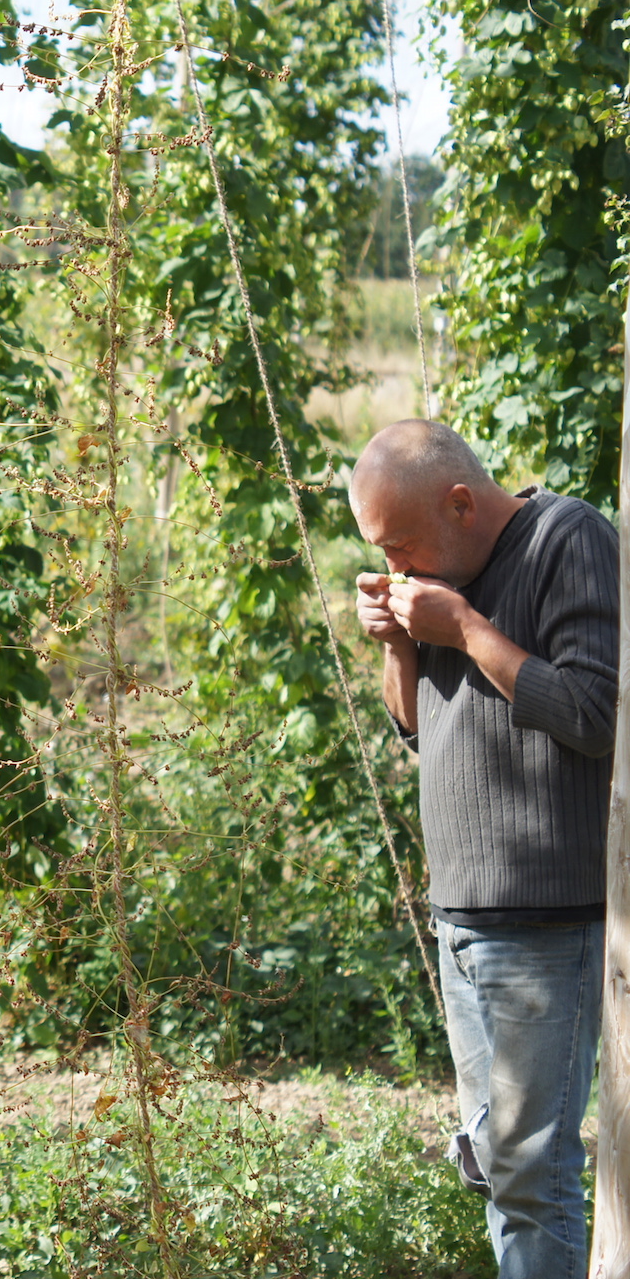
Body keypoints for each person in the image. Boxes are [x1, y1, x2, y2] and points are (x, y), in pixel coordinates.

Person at [350, 418, 617, 1278]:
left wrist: (462, 628)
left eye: (402, 546)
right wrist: (400, 644)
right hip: (461, 918)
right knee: (502, 1168)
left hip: (544, 922)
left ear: (461, 503)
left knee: (530, 1173)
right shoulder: (440, 579)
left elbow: (593, 714)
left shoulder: (568, 538)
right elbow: (420, 732)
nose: (396, 568)